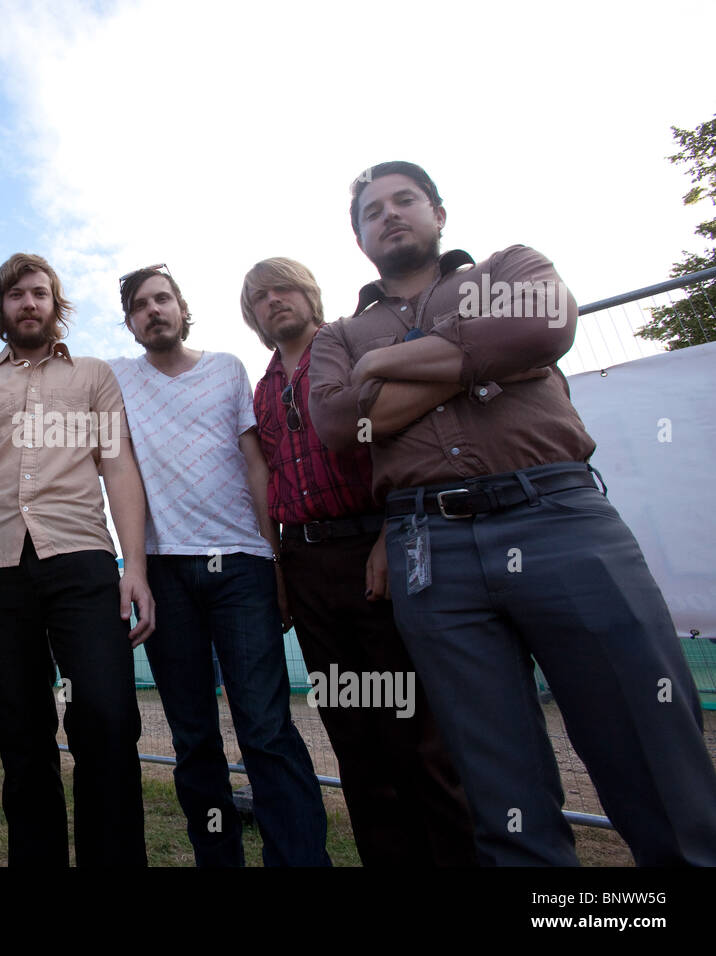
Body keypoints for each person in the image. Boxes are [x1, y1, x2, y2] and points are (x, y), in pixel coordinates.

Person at [308, 160, 716, 865]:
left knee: (653, 755)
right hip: (427, 545)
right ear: (360, 241)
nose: (391, 214)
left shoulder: (509, 266)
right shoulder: (339, 338)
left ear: (440, 213)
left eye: (406, 200)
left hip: (558, 516)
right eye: (373, 211)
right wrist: (485, 359)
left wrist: (388, 368)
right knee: (501, 788)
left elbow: (544, 331)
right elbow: (342, 427)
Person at [241, 256, 475, 866]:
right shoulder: (263, 389)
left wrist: (389, 535)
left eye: (284, 288)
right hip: (306, 563)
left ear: (310, 294)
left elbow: (398, 441)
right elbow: (262, 474)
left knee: (416, 731)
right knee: (353, 735)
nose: (274, 301)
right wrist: (278, 563)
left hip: (374, 546)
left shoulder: (348, 349)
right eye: (260, 297)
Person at [0, 253, 152, 867]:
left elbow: (117, 464)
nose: (28, 303)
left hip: (81, 557)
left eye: (40, 293)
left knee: (107, 719)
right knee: (23, 736)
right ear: (1, 308)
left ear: (57, 304)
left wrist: (133, 565)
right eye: (15, 295)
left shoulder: (94, 374)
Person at [110, 264, 330, 866]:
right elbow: (49, 368)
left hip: (241, 565)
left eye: (162, 299)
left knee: (265, 728)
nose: (153, 310)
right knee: (194, 737)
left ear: (182, 307)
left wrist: (275, 558)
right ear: (129, 323)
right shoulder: (117, 379)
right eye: (139, 306)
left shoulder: (227, 369)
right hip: (164, 573)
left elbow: (257, 465)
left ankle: (301, 859)